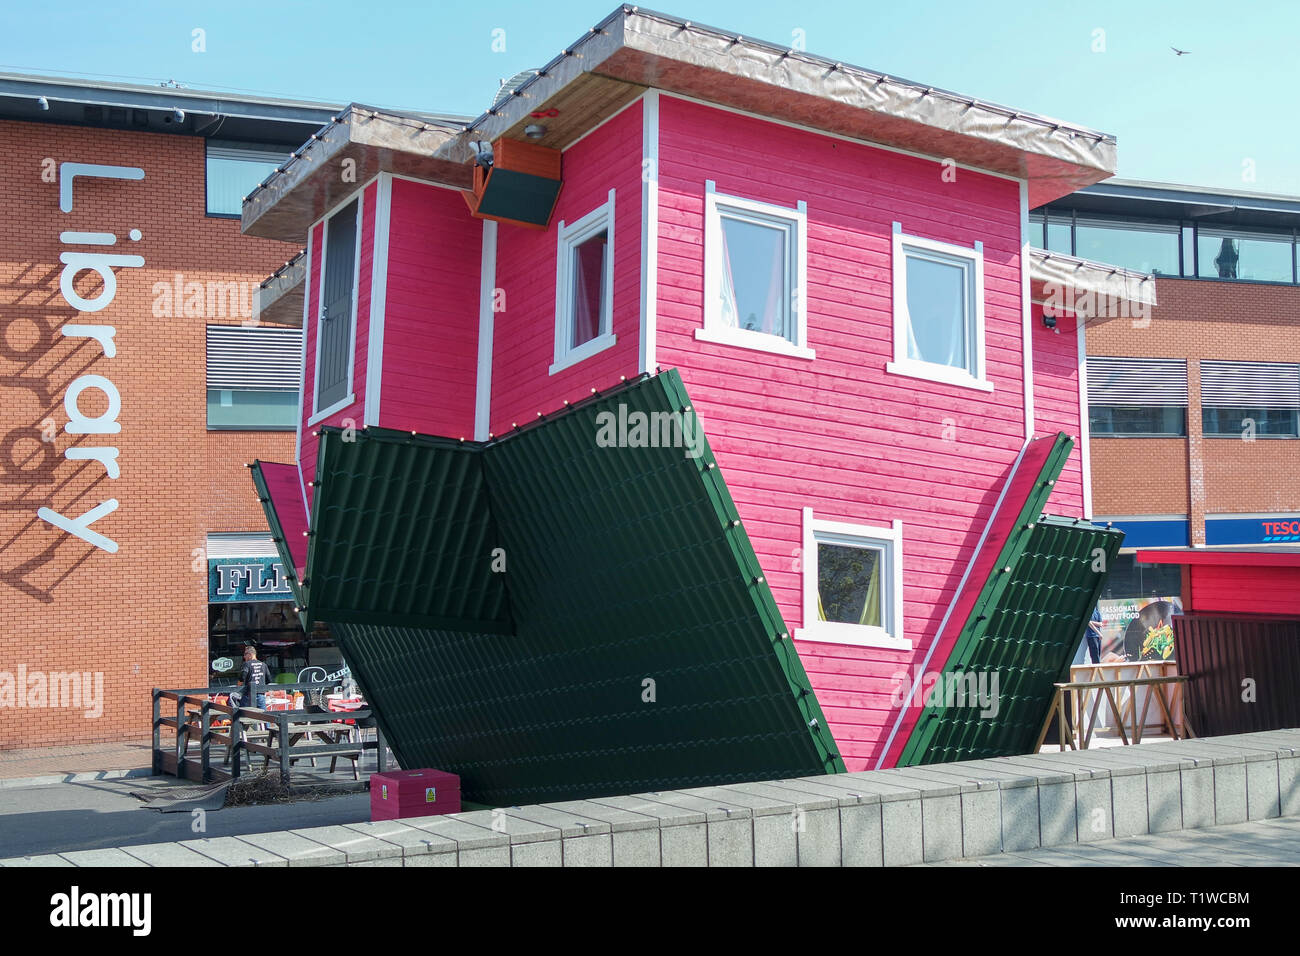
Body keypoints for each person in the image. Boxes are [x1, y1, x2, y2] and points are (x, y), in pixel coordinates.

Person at [234, 645, 270, 710]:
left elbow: (242, 677)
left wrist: (237, 686)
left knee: (243, 716)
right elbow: (269, 680)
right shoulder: (263, 665)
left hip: (248, 695)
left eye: (245, 654)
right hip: (261, 694)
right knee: (264, 717)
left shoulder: (247, 664)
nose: (244, 656)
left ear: (250, 654)